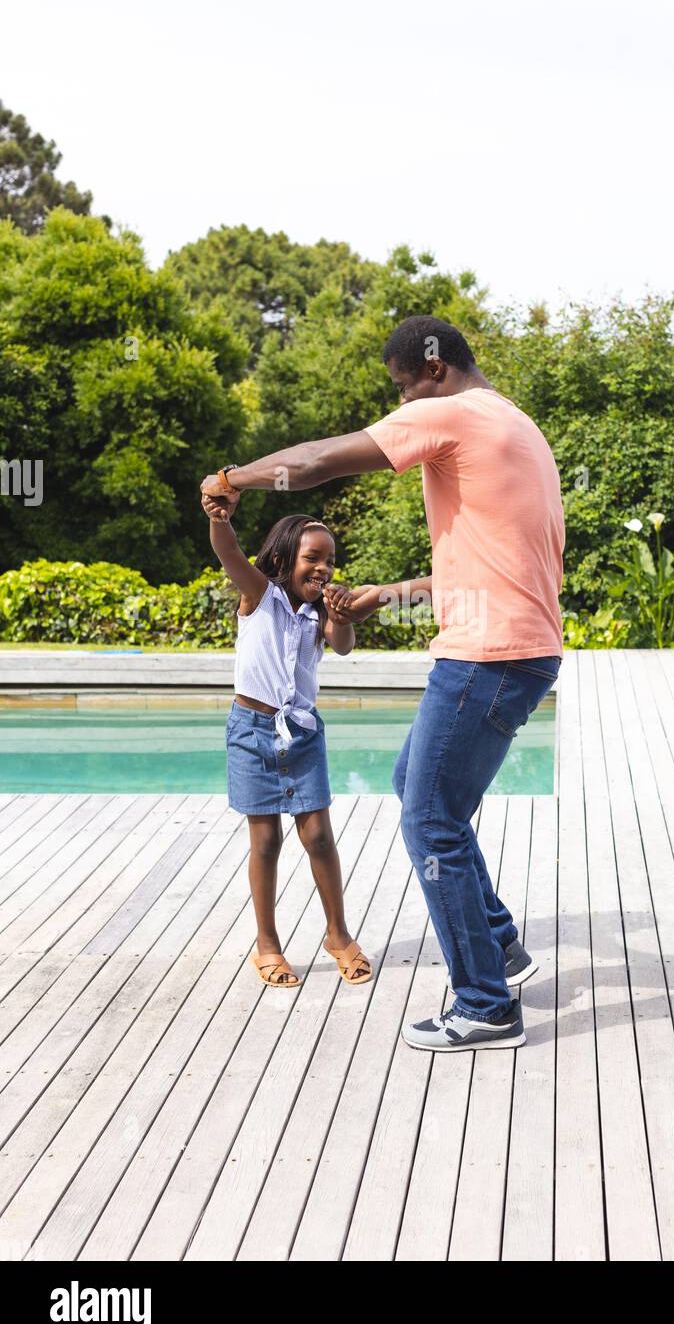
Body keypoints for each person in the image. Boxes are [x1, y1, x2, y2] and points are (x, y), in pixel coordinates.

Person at [201, 314, 565, 1051]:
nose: (400, 406)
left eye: (401, 388)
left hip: (485, 657)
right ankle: (498, 943)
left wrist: (232, 479)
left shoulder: (449, 412)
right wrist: (387, 592)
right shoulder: (516, 427)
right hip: (519, 650)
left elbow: (313, 462)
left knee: (428, 819)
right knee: (415, 784)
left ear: (431, 369)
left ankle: (484, 1004)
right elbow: (488, 568)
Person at [202, 490, 372, 989]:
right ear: (282, 559)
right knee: (267, 839)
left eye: (330, 561)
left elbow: (341, 647)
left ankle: (337, 935)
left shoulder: (320, 612)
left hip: (301, 731)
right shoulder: (259, 595)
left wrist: (340, 616)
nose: (323, 568)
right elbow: (228, 552)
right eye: (312, 558)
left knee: (318, 834)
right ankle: (267, 944)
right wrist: (220, 520)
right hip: (251, 732)